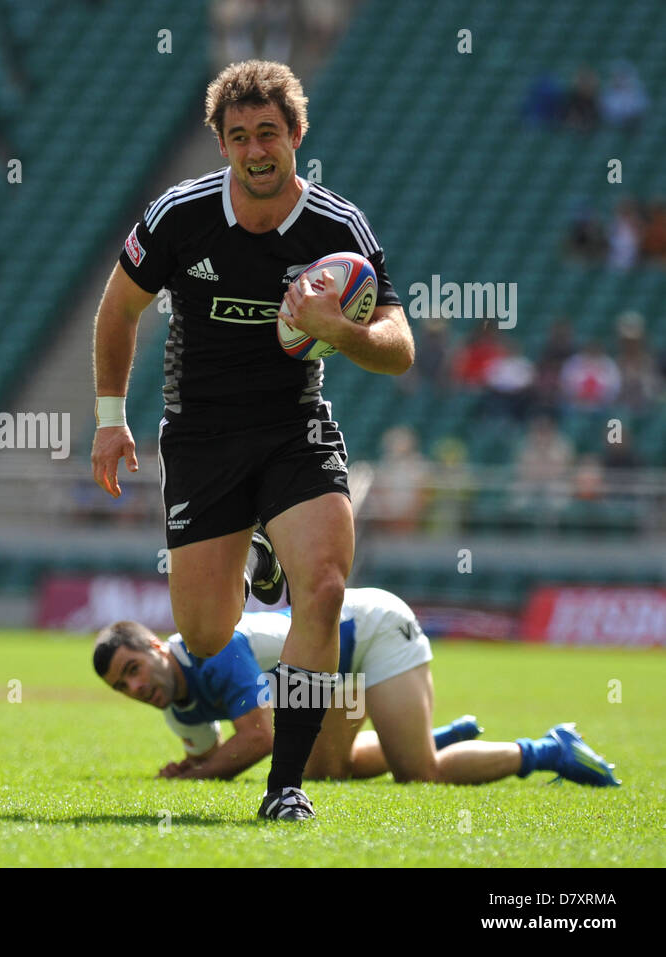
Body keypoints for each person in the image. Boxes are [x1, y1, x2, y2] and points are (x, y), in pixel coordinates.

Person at [89, 60, 414, 820]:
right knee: (205, 633)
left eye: (269, 132)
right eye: (239, 137)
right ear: (223, 145)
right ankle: (254, 555)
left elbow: (398, 347)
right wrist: (110, 420)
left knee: (325, 588)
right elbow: (117, 310)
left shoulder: (339, 226)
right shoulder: (179, 215)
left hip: (295, 428)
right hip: (201, 438)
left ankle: (286, 786)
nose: (255, 149)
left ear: (296, 135)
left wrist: (341, 330)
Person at [93, 588, 620, 790]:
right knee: (325, 771)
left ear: (159, 648)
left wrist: (193, 778)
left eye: (134, 668)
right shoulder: (174, 704)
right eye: (123, 685)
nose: (135, 687)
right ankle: (425, 735)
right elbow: (212, 762)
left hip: (368, 632)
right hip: (329, 674)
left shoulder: (215, 648)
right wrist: (190, 771)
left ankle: (550, 749)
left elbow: (256, 740)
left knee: (420, 776)